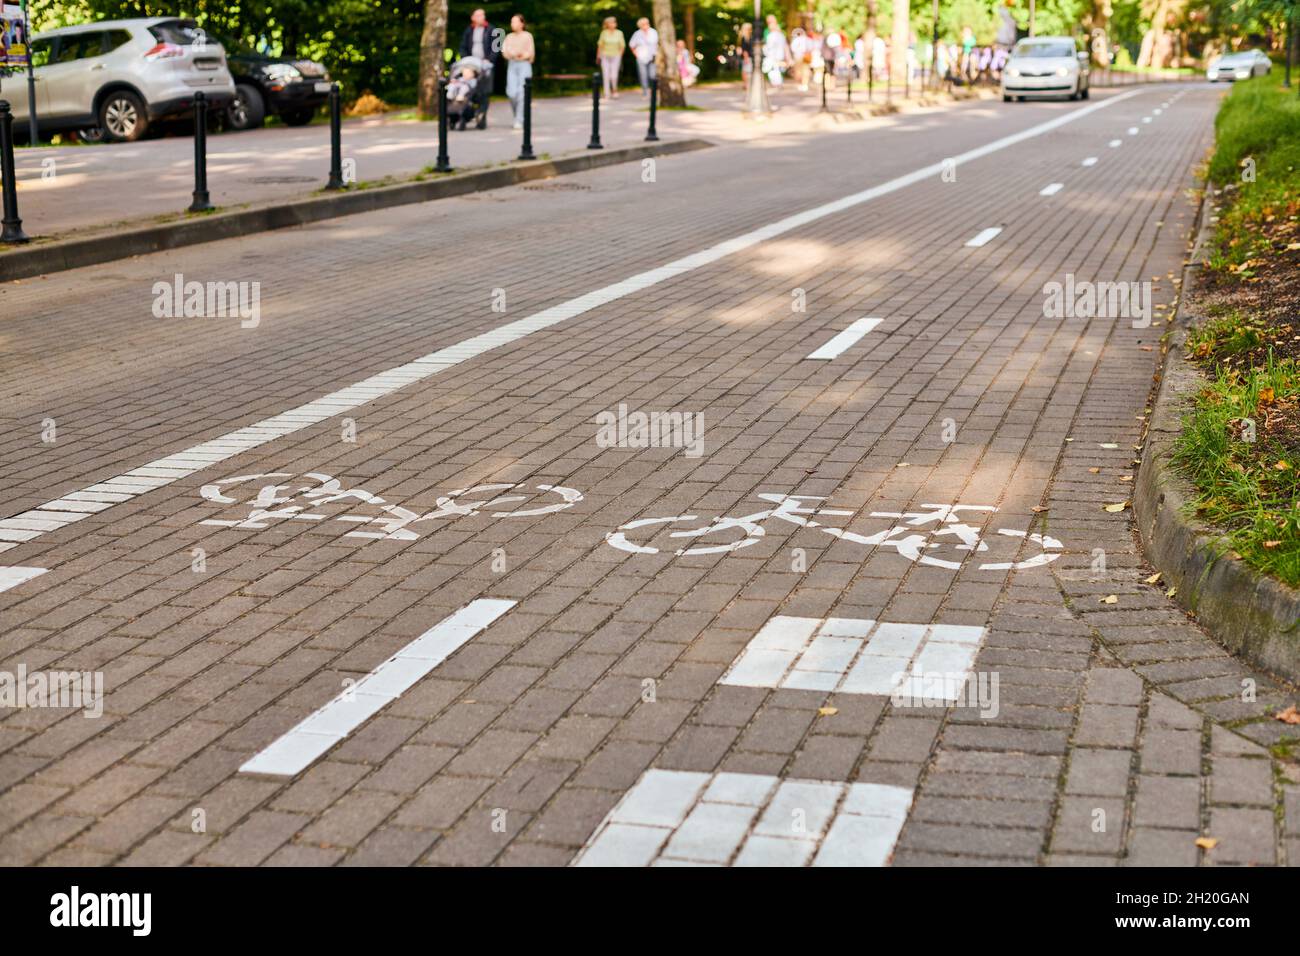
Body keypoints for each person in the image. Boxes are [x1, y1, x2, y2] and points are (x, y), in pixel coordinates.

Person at [458, 9, 499, 129]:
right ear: (473, 17)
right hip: (471, 66)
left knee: (485, 92)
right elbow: (463, 47)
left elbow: (496, 48)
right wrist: (466, 60)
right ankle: (465, 115)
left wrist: (489, 59)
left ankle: (482, 116)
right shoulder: (469, 30)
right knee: (468, 89)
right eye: (478, 15)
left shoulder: (493, 29)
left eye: (483, 15)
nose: (482, 17)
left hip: (486, 65)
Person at [501, 13, 534, 130]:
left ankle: (519, 119)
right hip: (512, 65)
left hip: (524, 65)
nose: (513, 24)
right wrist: (513, 54)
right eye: (511, 22)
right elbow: (504, 52)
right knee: (511, 92)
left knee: (522, 93)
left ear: (522, 23)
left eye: (515, 21)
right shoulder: (508, 37)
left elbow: (530, 53)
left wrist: (522, 55)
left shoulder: (527, 36)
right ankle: (518, 115)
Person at [596, 16, 625, 99]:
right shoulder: (604, 33)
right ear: (607, 24)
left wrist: (620, 56)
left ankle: (615, 90)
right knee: (606, 75)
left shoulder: (619, 33)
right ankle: (606, 93)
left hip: (616, 56)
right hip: (605, 56)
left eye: (614, 22)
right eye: (611, 23)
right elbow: (600, 45)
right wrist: (598, 56)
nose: (613, 24)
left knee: (614, 75)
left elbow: (622, 46)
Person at [629, 17, 659, 96]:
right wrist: (636, 54)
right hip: (641, 57)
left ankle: (653, 91)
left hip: (652, 57)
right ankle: (645, 92)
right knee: (643, 75)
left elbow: (657, 44)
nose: (645, 25)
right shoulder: (637, 34)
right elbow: (631, 45)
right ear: (640, 25)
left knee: (652, 75)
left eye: (647, 23)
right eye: (643, 24)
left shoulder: (653, 32)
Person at [762, 14, 789, 87]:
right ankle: (777, 82)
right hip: (775, 54)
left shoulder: (777, 34)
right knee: (775, 68)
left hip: (775, 54)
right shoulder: (767, 32)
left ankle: (777, 82)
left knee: (774, 68)